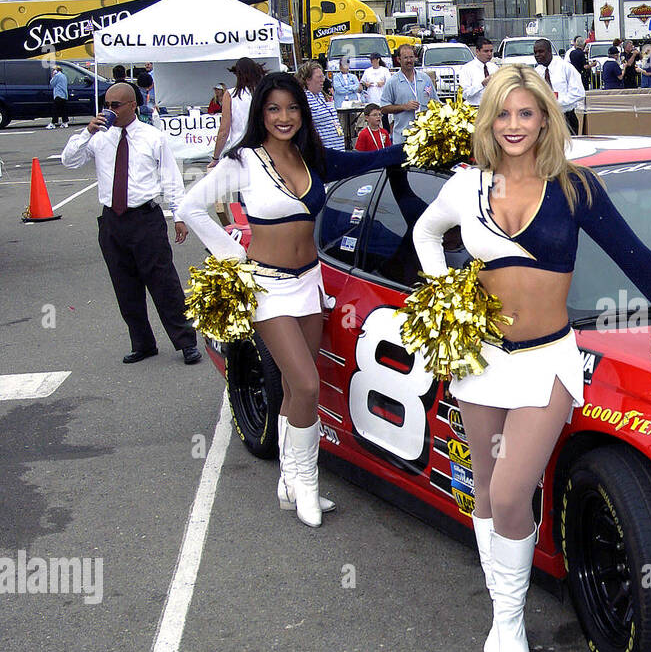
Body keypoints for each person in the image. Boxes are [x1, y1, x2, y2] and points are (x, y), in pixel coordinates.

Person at [411, 64, 651, 652]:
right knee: (484, 488)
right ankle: (505, 618)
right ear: (489, 119)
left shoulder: (574, 186)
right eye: (503, 113)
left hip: (547, 361)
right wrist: (444, 300)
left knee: (510, 493)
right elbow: (426, 236)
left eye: (526, 114)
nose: (513, 126)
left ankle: (508, 616)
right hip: (480, 359)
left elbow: (636, 257)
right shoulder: (465, 187)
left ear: (544, 119)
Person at [174, 72, 408, 526]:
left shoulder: (310, 156)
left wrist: (424, 148)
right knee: (304, 385)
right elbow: (188, 207)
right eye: (274, 109)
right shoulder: (242, 161)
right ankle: (305, 484)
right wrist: (234, 258)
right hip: (267, 287)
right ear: (260, 113)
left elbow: (366, 163)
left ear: (303, 112)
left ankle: (288, 482)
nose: (284, 117)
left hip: (309, 283)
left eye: (292, 109)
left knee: (294, 389)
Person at [59, 83, 201, 366]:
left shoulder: (152, 137)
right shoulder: (99, 137)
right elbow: (69, 161)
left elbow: (170, 177)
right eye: (106, 105)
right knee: (125, 286)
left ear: (132, 105)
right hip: (112, 219)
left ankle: (186, 342)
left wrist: (180, 215)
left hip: (145, 217)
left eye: (115, 106)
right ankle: (143, 343)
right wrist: (87, 131)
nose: (109, 111)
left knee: (164, 283)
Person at [210, 58, 266, 168]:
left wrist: (215, 158)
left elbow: (224, 130)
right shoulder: (263, 92)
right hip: (263, 148)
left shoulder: (231, 95)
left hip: (240, 148)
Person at [380, 43, 436, 143]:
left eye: (411, 57)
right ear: (398, 59)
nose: (409, 60)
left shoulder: (425, 79)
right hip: (403, 138)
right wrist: (404, 107)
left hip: (425, 137)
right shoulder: (392, 82)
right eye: (405, 58)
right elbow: (384, 108)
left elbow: (436, 103)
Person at [532, 39, 585, 134]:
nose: (537, 55)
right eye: (535, 52)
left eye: (541, 51)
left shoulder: (565, 67)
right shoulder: (536, 73)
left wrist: (557, 103)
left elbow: (579, 93)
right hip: (544, 120)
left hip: (565, 117)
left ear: (549, 51)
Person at [298, 61, 345, 152]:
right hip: (324, 151)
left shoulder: (320, 95)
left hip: (337, 149)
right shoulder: (304, 99)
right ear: (308, 79)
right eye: (319, 77)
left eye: (323, 76)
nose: (323, 79)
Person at [458, 37, 498, 106]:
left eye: (491, 51)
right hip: (475, 108)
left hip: (493, 108)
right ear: (477, 51)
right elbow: (464, 94)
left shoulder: (494, 67)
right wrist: (482, 84)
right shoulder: (467, 69)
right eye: (486, 51)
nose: (489, 54)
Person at [48, 64, 69, 129]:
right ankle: (65, 123)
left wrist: (53, 76)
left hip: (58, 95)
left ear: (56, 70)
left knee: (55, 110)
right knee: (63, 110)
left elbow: (52, 83)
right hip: (64, 95)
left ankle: (53, 123)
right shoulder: (64, 76)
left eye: (54, 70)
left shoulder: (57, 76)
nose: (53, 71)